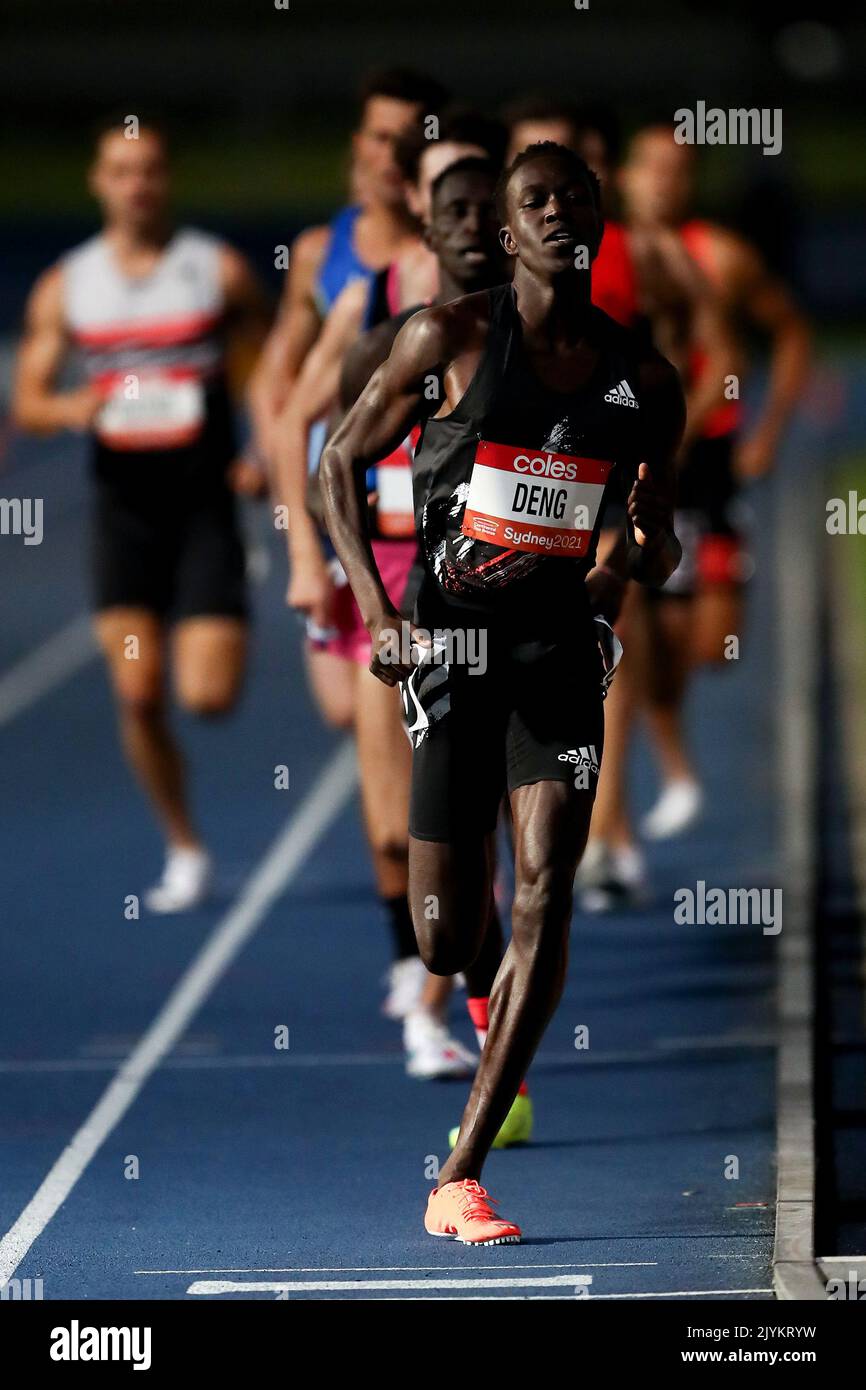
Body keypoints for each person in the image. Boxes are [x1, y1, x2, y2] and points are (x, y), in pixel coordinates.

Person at [321, 143, 684, 1242]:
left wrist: (623, 563)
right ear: (509, 233)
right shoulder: (449, 337)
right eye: (536, 203)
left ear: (598, 221)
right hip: (450, 659)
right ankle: (472, 990)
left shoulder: (641, 380)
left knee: (543, 892)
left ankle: (460, 1170)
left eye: (576, 199)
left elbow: (651, 535)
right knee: (443, 933)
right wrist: (381, 621)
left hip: (556, 663)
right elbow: (334, 462)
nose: (557, 215)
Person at [274, 117, 508, 1051]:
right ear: (421, 206)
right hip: (395, 582)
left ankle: (457, 1011)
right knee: (390, 833)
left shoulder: (535, 338)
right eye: (450, 199)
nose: (471, 219)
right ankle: (434, 971)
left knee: (473, 824)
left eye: (486, 202)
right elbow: (320, 445)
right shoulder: (381, 332)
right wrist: (322, 569)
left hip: (492, 593)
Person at [12, 118, 270, 910]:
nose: (138, 185)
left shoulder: (215, 272)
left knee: (208, 697)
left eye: (151, 170)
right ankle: (184, 844)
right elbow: (27, 400)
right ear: (99, 181)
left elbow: (265, 373)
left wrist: (260, 452)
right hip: (125, 516)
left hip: (202, 512)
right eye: (122, 171)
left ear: (168, 180)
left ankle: (228, 598)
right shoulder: (67, 285)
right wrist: (73, 407)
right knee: (137, 690)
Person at [615, 125, 811, 844]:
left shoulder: (724, 258)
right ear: (628, 177)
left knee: (712, 645)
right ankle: (660, 776)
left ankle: (666, 753)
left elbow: (790, 335)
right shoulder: (604, 261)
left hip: (709, 464)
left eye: (680, 171)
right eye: (653, 170)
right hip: (634, 469)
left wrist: (765, 433)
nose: (665, 183)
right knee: (642, 627)